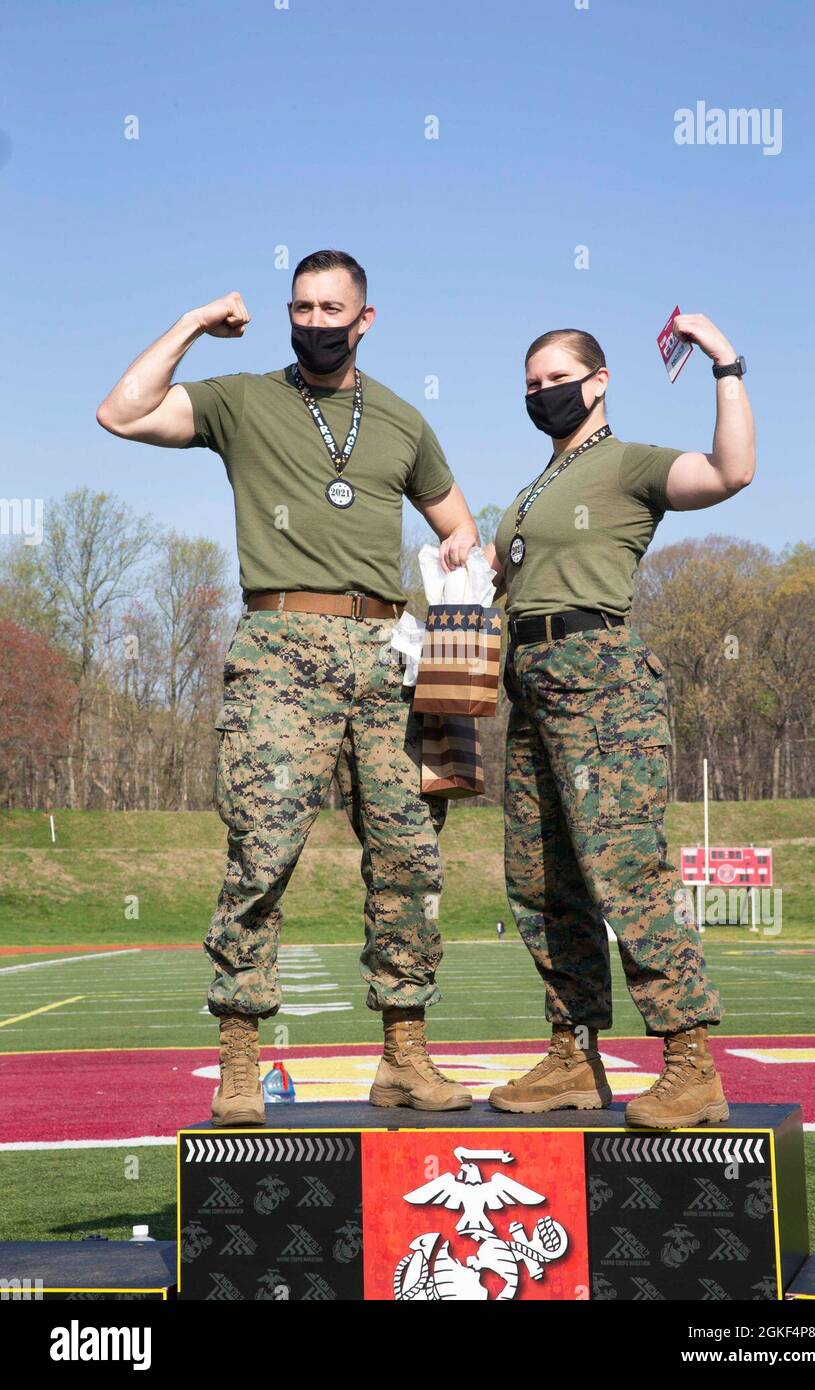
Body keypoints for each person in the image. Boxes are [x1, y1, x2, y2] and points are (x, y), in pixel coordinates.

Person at [97, 249, 478, 1122]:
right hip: (277, 646)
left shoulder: (403, 421)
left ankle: (405, 1057)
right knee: (262, 853)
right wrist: (195, 322)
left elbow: (460, 525)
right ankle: (240, 1056)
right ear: (287, 313)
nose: (315, 320)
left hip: (387, 650)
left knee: (409, 855)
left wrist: (463, 549)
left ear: (365, 318)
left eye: (332, 307)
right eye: (301, 306)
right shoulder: (242, 399)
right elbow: (120, 412)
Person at [484, 315, 755, 1127]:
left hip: (600, 678)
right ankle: (573, 1056)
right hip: (526, 683)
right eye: (530, 385)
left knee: (625, 869)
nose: (543, 393)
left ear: (598, 382)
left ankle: (689, 1061)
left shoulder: (628, 463)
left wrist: (725, 362)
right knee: (539, 877)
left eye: (556, 378)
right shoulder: (535, 488)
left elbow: (731, 472)